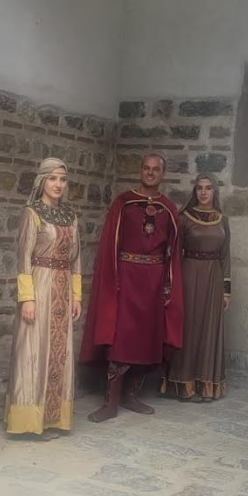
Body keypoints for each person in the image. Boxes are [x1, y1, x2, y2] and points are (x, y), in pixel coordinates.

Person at [80, 154, 183, 422]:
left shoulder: (169, 209)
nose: (150, 173)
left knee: (145, 338)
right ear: (140, 171)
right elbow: (109, 245)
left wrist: (168, 286)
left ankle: (131, 396)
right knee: (121, 336)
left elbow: (172, 251)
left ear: (163, 174)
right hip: (126, 277)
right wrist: (111, 280)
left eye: (156, 169)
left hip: (154, 281)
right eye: (146, 168)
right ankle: (110, 401)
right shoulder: (123, 203)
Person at [5, 158, 83, 439]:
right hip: (38, 286)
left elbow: (76, 259)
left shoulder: (71, 216)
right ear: (42, 181)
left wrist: (76, 296)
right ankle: (27, 421)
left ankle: (54, 418)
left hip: (62, 288)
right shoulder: (32, 213)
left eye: (63, 179)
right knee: (33, 350)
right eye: (53, 179)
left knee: (59, 352)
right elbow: (23, 257)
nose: (58, 184)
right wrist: (27, 298)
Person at [161, 174, 231, 402]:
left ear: (215, 192)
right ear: (195, 191)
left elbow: (225, 256)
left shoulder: (222, 219)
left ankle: (205, 384)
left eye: (208, 188)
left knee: (209, 329)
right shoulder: (184, 218)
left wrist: (226, 289)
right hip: (189, 276)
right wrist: (171, 284)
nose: (203, 192)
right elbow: (173, 253)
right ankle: (182, 385)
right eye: (199, 188)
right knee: (188, 329)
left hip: (214, 277)